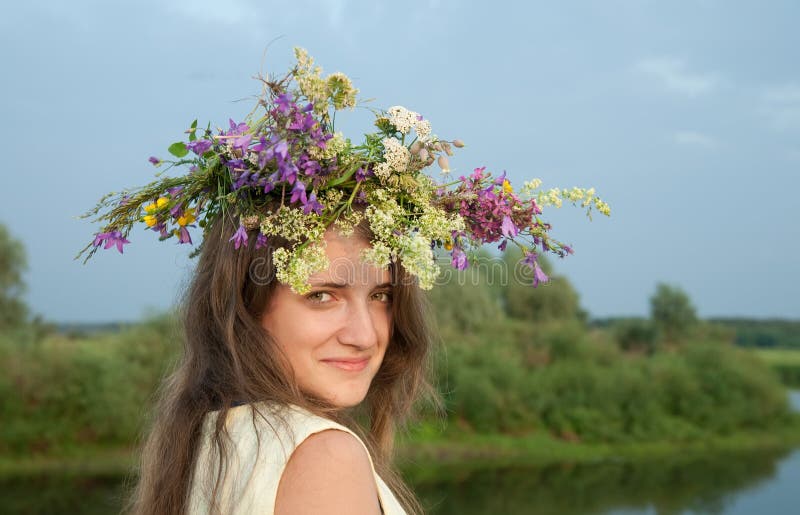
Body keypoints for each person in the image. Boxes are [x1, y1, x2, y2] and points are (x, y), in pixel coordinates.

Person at [79, 47, 608, 515]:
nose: (364, 333)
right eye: (322, 295)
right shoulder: (321, 455)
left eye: (380, 295)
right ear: (246, 305)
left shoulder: (209, 437)